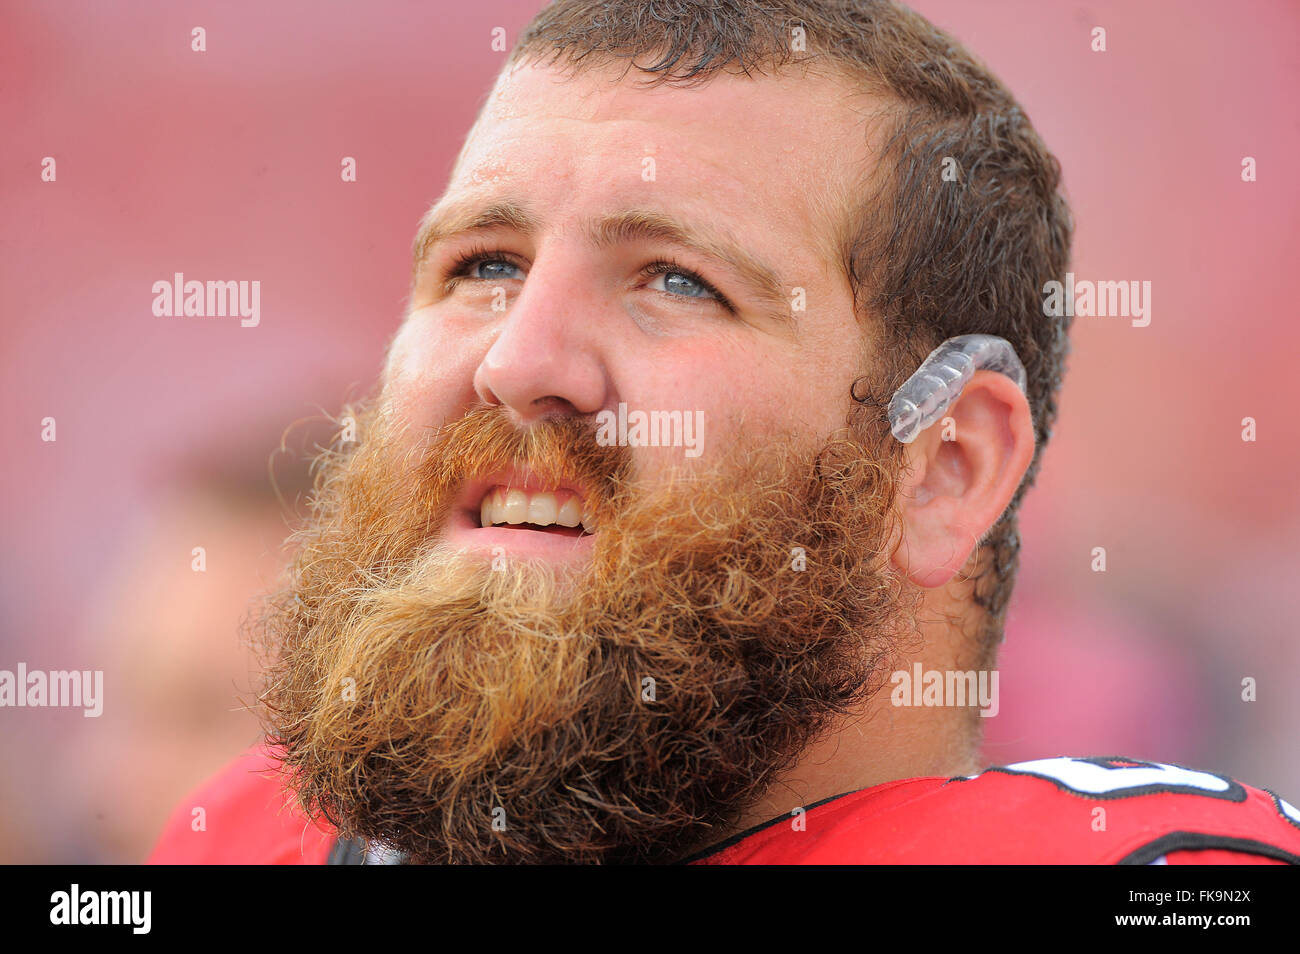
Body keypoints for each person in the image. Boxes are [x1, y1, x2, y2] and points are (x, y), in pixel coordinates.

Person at [148, 0, 1300, 865]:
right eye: (483, 265)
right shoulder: (246, 836)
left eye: (677, 281)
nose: (516, 362)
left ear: (945, 468)